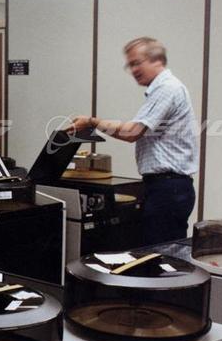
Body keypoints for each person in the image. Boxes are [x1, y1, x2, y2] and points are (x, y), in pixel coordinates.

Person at [69, 36, 198, 245]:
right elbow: (131, 132)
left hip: (169, 189)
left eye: (137, 63)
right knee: (156, 251)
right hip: (164, 188)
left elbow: (132, 132)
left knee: (161, 256)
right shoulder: (162, 89)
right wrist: (93, 124)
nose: (133, 70)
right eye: (130, 65)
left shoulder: (167, 89)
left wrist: (92, 122)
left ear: (157, 61)